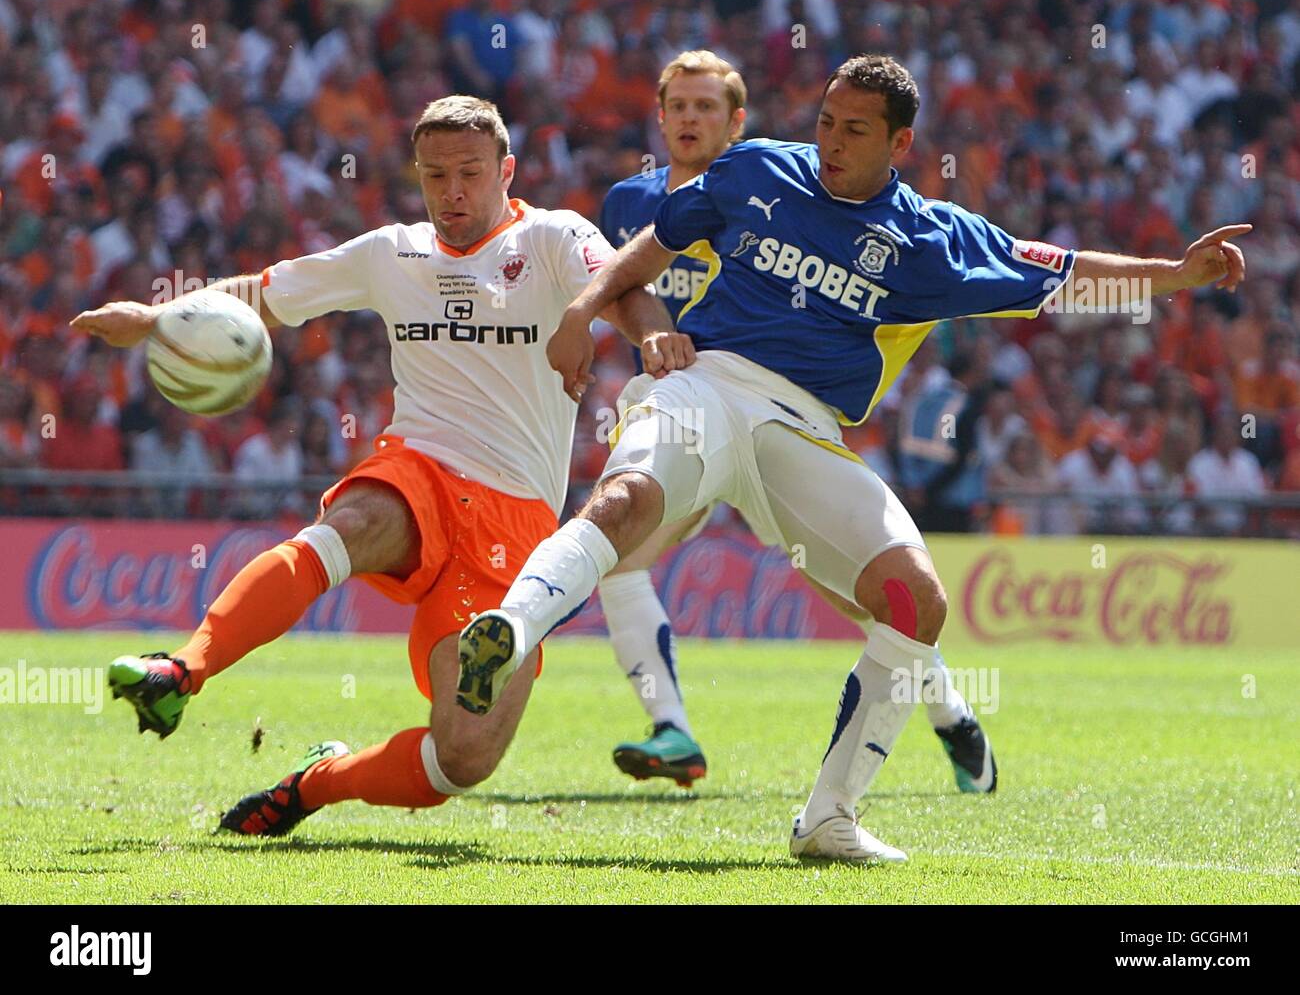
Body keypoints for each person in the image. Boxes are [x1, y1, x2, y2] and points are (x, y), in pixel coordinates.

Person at [453, 54, 1249, 863]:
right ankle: (510, 632)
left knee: (915, 599)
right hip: (707, 385)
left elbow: (1063, 275)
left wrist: (1175, 275)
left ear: (899, 142)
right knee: (626, 500)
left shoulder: (929, 242)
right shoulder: (758, 167)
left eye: (854, 129)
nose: (830, 141)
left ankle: (829, 817)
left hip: (804, 430)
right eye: (826, 121)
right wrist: (586, 308)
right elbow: (657, 242)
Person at [69, 95, 689, 837]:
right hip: (420, 469)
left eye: (469, 173)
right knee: (351, 522)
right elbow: (263, 295)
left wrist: (653, 338)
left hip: (516, 523)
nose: (452, 192)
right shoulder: (391, 252)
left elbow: (625, 290)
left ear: (507, 170)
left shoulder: (554, 239)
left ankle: (316, 782)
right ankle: (182, 668)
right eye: (435, 176)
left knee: (461, 760)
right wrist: (153, 319)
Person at [598, 50, 999, 796]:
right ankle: (671, 726)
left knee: (855, 596)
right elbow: (618, 287)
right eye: (677, 106)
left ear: (737, 121)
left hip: (772, 417)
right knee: (619, 551)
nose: (690, 118)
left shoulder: (769, 190)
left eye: (706, 107)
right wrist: (649, 334)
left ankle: (952, 714)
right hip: (687, 414)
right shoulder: (629, 203)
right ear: (659, 117)